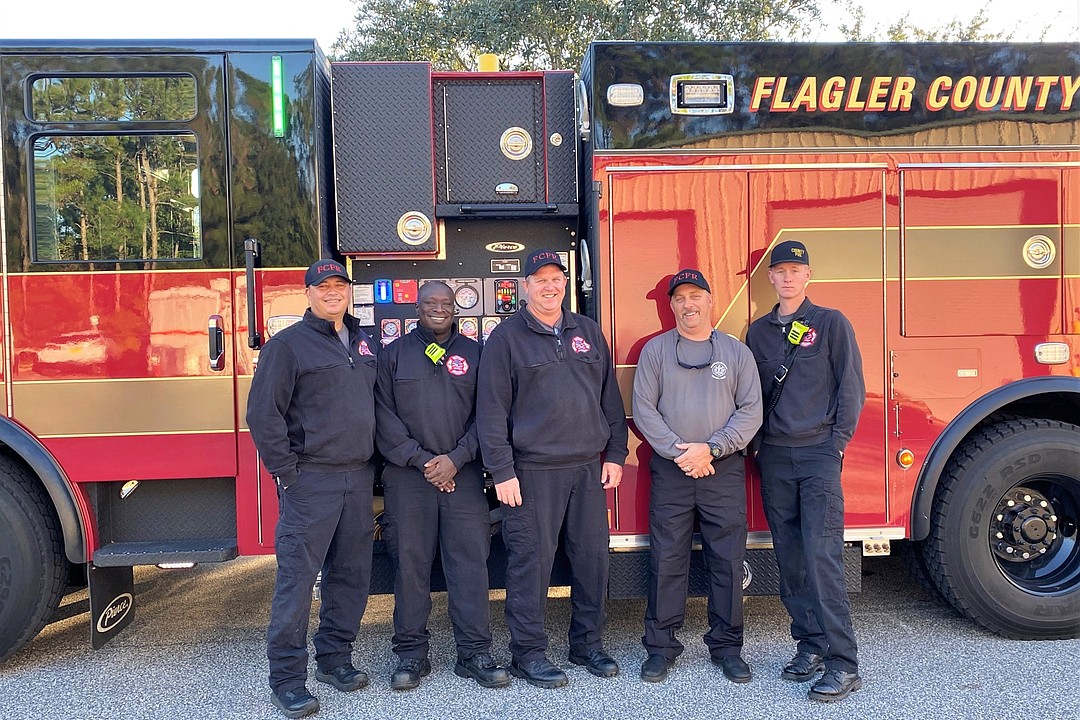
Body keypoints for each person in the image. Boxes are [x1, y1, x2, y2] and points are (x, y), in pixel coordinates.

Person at [476, 249, 628, 689]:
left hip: (586, 468)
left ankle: (587, 645)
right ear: (525, 286)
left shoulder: (588, 331)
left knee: (592, 559)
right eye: (539, 279)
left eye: (556, 278)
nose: (549, 286)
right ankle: (528, 654)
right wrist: (502, 471)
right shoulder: (506, 338)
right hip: (532, 472)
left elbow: (609, 398)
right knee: (531, 563)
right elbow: (491, 411)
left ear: (565, 283)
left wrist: (615, 453)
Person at [247, 259, 378, 719]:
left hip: (358, 478)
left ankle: (334, 659)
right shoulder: (287, 347)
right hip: (310, 481)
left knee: (350, 575)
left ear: (349, 291)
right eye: (323, 286)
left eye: (340, 285)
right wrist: (287, 473)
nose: (333, 292)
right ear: (308, 293)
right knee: (298, 582)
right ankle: (286, 680)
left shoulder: (363, 342)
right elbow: (262, 415)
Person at [745, 240, 866, 703]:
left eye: (796, 270)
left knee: (822, 557)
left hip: (818, 456)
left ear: (808, 275)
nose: (788, 277)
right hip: (775, 457)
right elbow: (752, 396)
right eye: (780, 270)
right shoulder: (758, 333)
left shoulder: (830, 323)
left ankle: (844, 662)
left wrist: (835, 446)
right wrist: (757, 448)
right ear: (770, 278)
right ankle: (810, 644)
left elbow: (851, 388)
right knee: (790, 559)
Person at [375, 281, 511, 691]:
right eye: (430, 302)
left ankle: (474, 654)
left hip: (463, 476)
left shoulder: (476, 353)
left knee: (469, 567)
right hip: (408, 479)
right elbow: (382, 417)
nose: (439, 308)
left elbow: (490, 415)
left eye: (446, 303)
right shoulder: (393, 355)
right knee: (410, 567)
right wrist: (423, 461)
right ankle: (411, 655)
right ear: (417, 308)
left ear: (456, 308)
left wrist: (456, 459)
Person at [632, 269, 762, 685]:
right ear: (671, 305)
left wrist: (712, 449)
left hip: (721, 469)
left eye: (695, 296)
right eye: (680, 298)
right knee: (667, 559)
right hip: (673, 470)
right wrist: (681, 452)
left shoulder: (736, 352)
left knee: (727, 560)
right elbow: (644, 409)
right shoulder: (655, 351)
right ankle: (660, 648)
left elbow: (751, 411)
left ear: (710, 301)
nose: (688, 304)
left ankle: (727, 648)